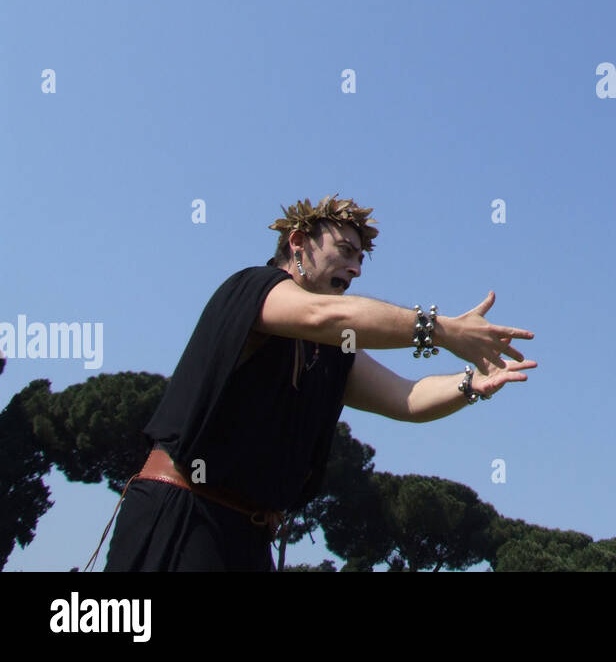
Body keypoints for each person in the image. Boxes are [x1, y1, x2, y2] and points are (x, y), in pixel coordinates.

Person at [101, 194, 537, 571]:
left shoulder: (333, 349)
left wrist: (470, 384)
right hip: (182, 514)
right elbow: (320, 315)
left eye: (361, 259)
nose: (356, 269)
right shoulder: (255, 287)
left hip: (249, 537)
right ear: (298, 244)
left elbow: (406, 399)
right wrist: (439, 330)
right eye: (345, 251)